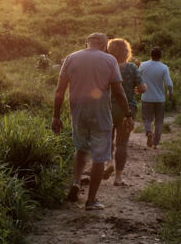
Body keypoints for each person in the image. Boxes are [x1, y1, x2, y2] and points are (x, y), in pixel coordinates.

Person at [52, 32, 134, 210]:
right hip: (100, 114)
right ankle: (91, 200)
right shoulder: (109, 60)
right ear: (104, 46)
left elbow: (59, 91)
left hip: (78, 114)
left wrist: (56, 116)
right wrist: (128, 114)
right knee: (99, 157)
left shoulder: (71, 58)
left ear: (86, 44)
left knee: (81, 149)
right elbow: (119, 92)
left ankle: (76, 182)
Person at [106, 38, 146, 186]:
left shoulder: (107, 66)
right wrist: (138, 89)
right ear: (127, 51)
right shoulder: (131, 68)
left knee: (107, 139)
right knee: (122, 144)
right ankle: (118, 178)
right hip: (127, 109)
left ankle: (108, 163)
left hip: (108, 108)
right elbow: (142, 88)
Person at [139, 46, 173, 149]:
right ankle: (155, 144)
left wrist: (138, 88)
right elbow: (169, 84)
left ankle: (149, 132)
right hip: (159, 99)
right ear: (160, 56)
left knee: (147, 118)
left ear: (151, 55)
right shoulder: (164, 67)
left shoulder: (143, 65)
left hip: (146, 97)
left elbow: (137, 78)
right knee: (159, 121)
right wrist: (169, 92)